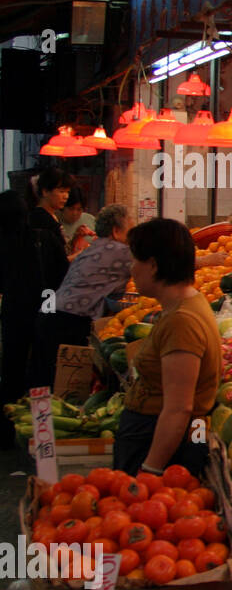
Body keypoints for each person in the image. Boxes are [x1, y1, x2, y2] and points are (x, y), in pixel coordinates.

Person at [113, 218, 222, 477]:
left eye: (134, 261)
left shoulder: (181, 321)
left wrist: (151, 469)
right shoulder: (186, 304)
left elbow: (179, 408)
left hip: (157, 443)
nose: (131, 269)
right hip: (152, 434)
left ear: (152, 265)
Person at [30, 205, 134, 388]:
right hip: (68, 321)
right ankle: (45, 415)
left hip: (51, 315)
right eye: (131, 228)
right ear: (117, 231)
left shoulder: (93, 249)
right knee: (63, 383)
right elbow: (158, 266)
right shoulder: (120, 251)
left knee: (43, 380)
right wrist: (202, 261)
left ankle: (37, 414)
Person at [0, 191, 39, 448]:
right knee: (32, 370)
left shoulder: (2, 241)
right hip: (35, 311)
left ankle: (5, 429)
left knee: (10, 369)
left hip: (12, 310)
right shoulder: (34, 240)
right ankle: (27, 424)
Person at [60, 185, 96, 255]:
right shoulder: (55, 222)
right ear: (63, 207)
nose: (74, 213)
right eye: (71, 208)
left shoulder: (90, 219)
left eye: (79, 209)